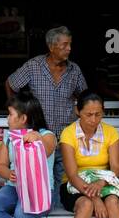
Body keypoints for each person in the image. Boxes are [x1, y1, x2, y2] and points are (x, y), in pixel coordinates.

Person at [5, 25, 88, 191]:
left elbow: (85, 98)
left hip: (66, 137)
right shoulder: (33, 66)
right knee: (39, 184)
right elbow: (11, 84)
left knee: (63, 182)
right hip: (39, 138)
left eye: (70, 44)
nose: (69, 49)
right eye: (64, 45)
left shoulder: (74, 70)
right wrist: (16, 110)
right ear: (51, 46)